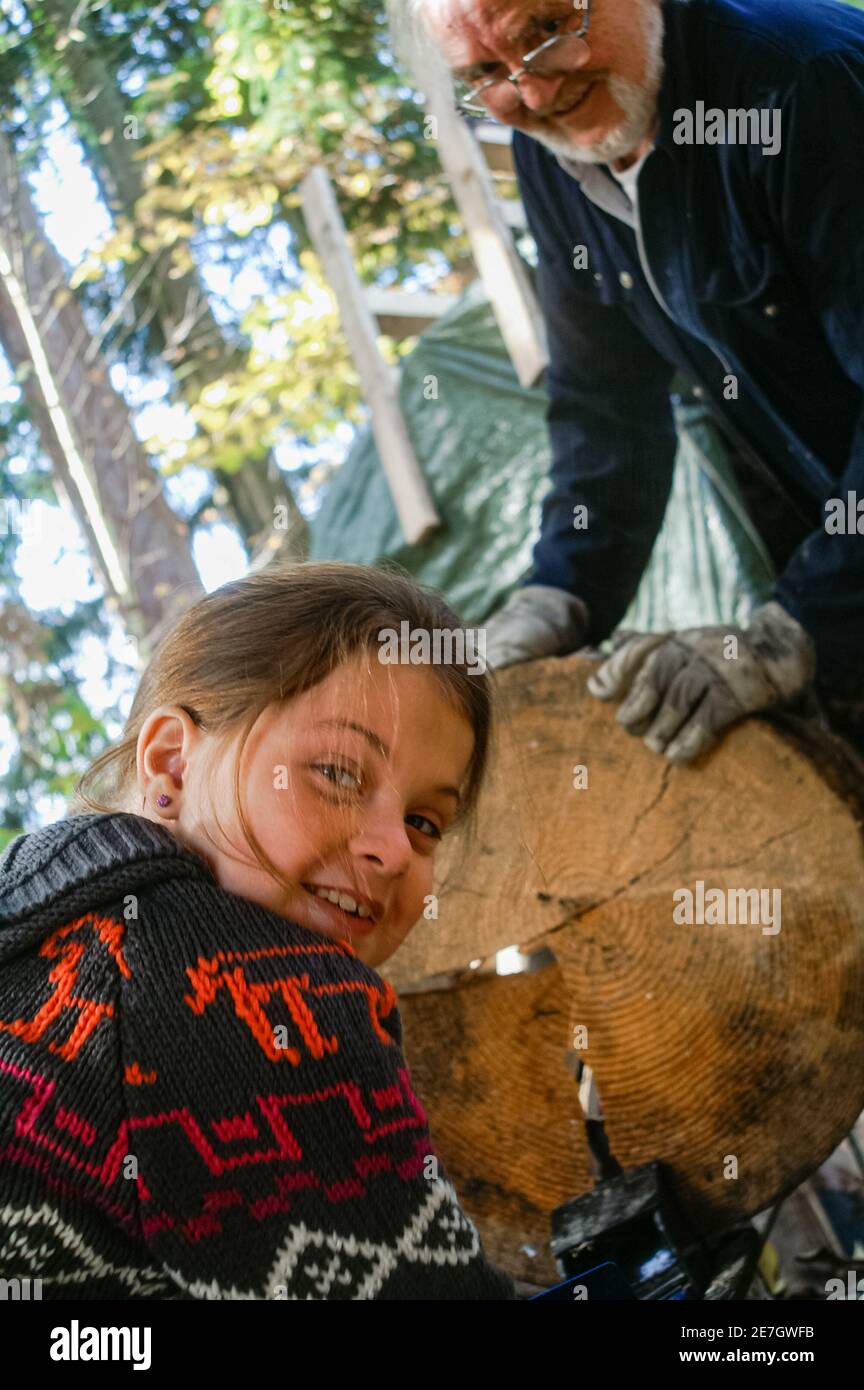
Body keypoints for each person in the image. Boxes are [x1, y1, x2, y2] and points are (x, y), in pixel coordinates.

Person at [0, 562, 517, 1300]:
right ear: (171, 763)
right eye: (338, 772)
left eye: (424, 821)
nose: (395, 849)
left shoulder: (45, 920)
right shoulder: (247, 993)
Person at [402, 0, 864, 763]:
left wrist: (796, 628)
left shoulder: (799, 84)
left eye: (545, 30)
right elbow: (604, 408)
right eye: (485, 73)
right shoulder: (557, 160)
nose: (537, 92)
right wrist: (557, 598)